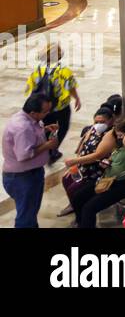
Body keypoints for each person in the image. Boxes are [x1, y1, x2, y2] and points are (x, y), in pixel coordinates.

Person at [75, 117, 125, 229]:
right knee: (78, 197)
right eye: (117, 135)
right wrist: (106, 163)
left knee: (89, 208)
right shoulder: (120, 145)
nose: (118, 138)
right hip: (109, 179)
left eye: (121, 135)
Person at [3, 93, 60, 227]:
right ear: (33, 112)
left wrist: (44, 130)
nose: (47, 114)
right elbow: (23, 154)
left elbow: (30, 137)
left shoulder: (28, 120)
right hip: (23, 178)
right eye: (45, 112)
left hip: (30, 174)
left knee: (29, 212)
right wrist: (48, 145)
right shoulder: (23, 128)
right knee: (26, 217)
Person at [59, 104, 118, 217]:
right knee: (66, 179)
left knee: (75, 190)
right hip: (83, 167)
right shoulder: (92, 129)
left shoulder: (110, 135)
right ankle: (74, 206)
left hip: (97, 171)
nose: (98, 125)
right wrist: (75, 164)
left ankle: (79, 213)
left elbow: (98, 155)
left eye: (102, 122)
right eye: (96, 122)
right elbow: (82, 146)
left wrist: (75, 161)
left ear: (111, 120)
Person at [25, 41, 80, 157]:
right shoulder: (64, 70)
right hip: (61, 107)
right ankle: (53, 149)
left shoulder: (38, 70)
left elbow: (31, 87)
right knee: (63, 127)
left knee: (47, 128)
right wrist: (77, 98)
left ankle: (47, 148)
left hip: (44, 108)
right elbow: (70, 87)